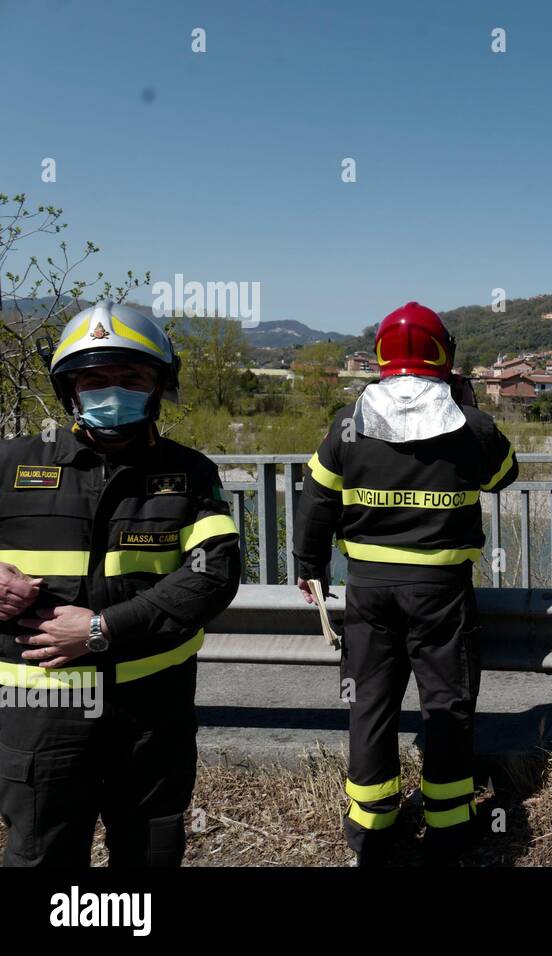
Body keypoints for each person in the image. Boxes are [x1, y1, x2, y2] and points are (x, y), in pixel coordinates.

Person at [0, 301, 241, 866]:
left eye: (130, 377)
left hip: (151, 715)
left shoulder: (190, 473)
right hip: (40, 717)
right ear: (69, 390)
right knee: (42, 858)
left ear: (158, 386)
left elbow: (214, 572)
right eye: (94, 379)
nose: (113, 390)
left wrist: (103, 629)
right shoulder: (9, 464)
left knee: (150, 854)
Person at [293, 301, 517, 866]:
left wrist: (309, 566)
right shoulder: (470, 426)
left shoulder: (349, 422)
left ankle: (370, 825)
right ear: (445, 354)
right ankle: (448, 825)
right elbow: (504, 475)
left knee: (369, 702)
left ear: (381, 357)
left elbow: (317, 498)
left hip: (369, 589)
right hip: (441, 592)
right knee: (446, 704)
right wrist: (467, 406)